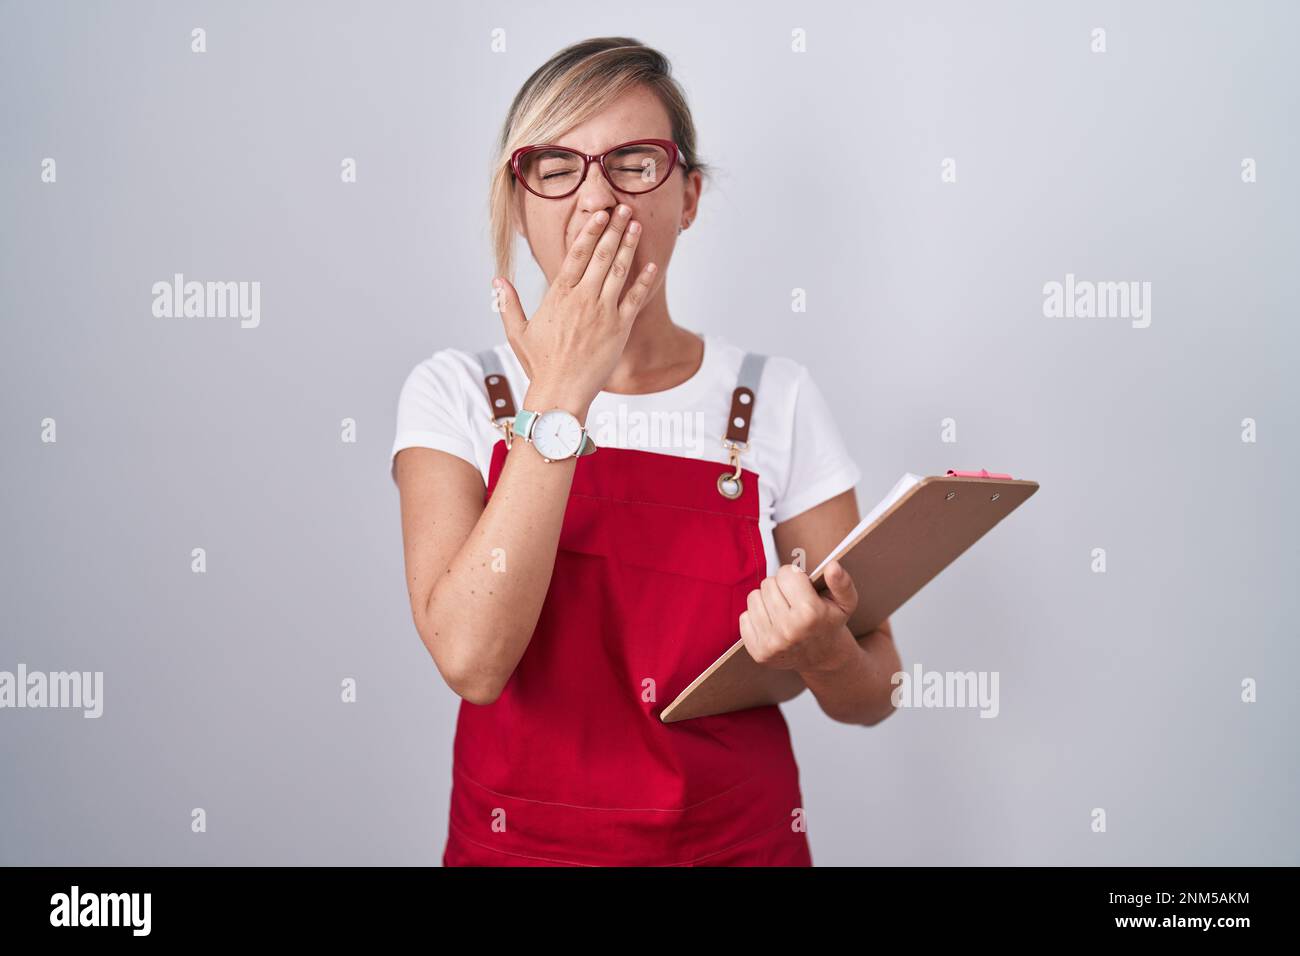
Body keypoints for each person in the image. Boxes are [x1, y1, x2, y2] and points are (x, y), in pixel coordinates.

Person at [390, 37, 901, 867]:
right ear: (520, 203)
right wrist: (560, 392)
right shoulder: (454, 392)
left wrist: (823, 648)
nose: (596, 199)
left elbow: (878, 692)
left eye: (633, 162)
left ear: (690, 195)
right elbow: (473, 662)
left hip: (738, 846)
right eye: (556, 167)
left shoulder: (776, 397)